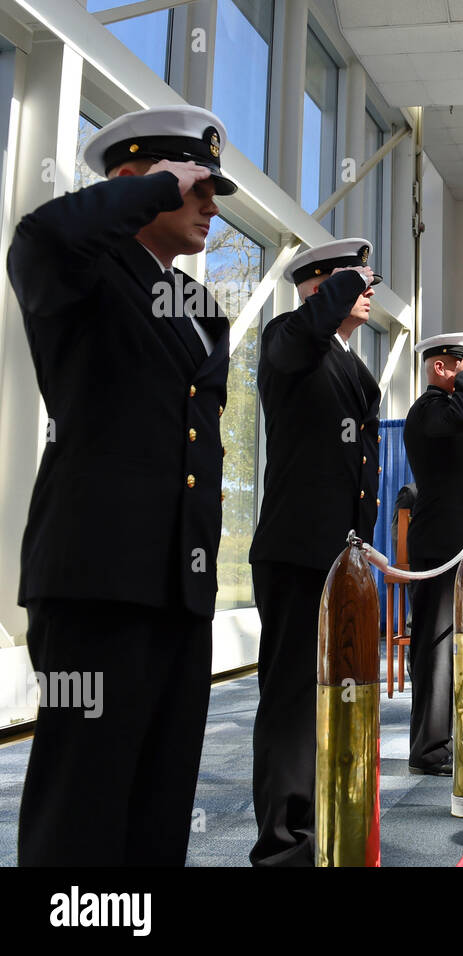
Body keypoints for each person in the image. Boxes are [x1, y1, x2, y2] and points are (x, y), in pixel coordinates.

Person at [7, 105, 235, 865]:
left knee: (160, 800)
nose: (210, 205)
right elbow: (39, 236)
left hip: (178, 586)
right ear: (139, 182)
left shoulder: (198, 309)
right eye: (196, 187)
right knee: (84, 800)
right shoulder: (80, 272)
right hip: (97, 585)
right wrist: (152, 188)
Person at [246, 238, 382, 866]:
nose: (372, 286)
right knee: (293, 699)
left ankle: (325, 817)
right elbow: (298, 338)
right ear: (324, 284)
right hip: (297, 550)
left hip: (342, 557)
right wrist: (334, 294)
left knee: (341, 690)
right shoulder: (288, 339)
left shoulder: (352, 366)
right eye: (361, 276)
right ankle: (283, 844)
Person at [403, 333, 463, 775]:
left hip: (459, 545)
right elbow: (455, 421)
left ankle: (444, 737)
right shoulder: (430, 410)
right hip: (439, 546)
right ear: (441, 368)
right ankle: (429, 749)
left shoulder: (453, 412)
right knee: (434, 647)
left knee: (452, 644)